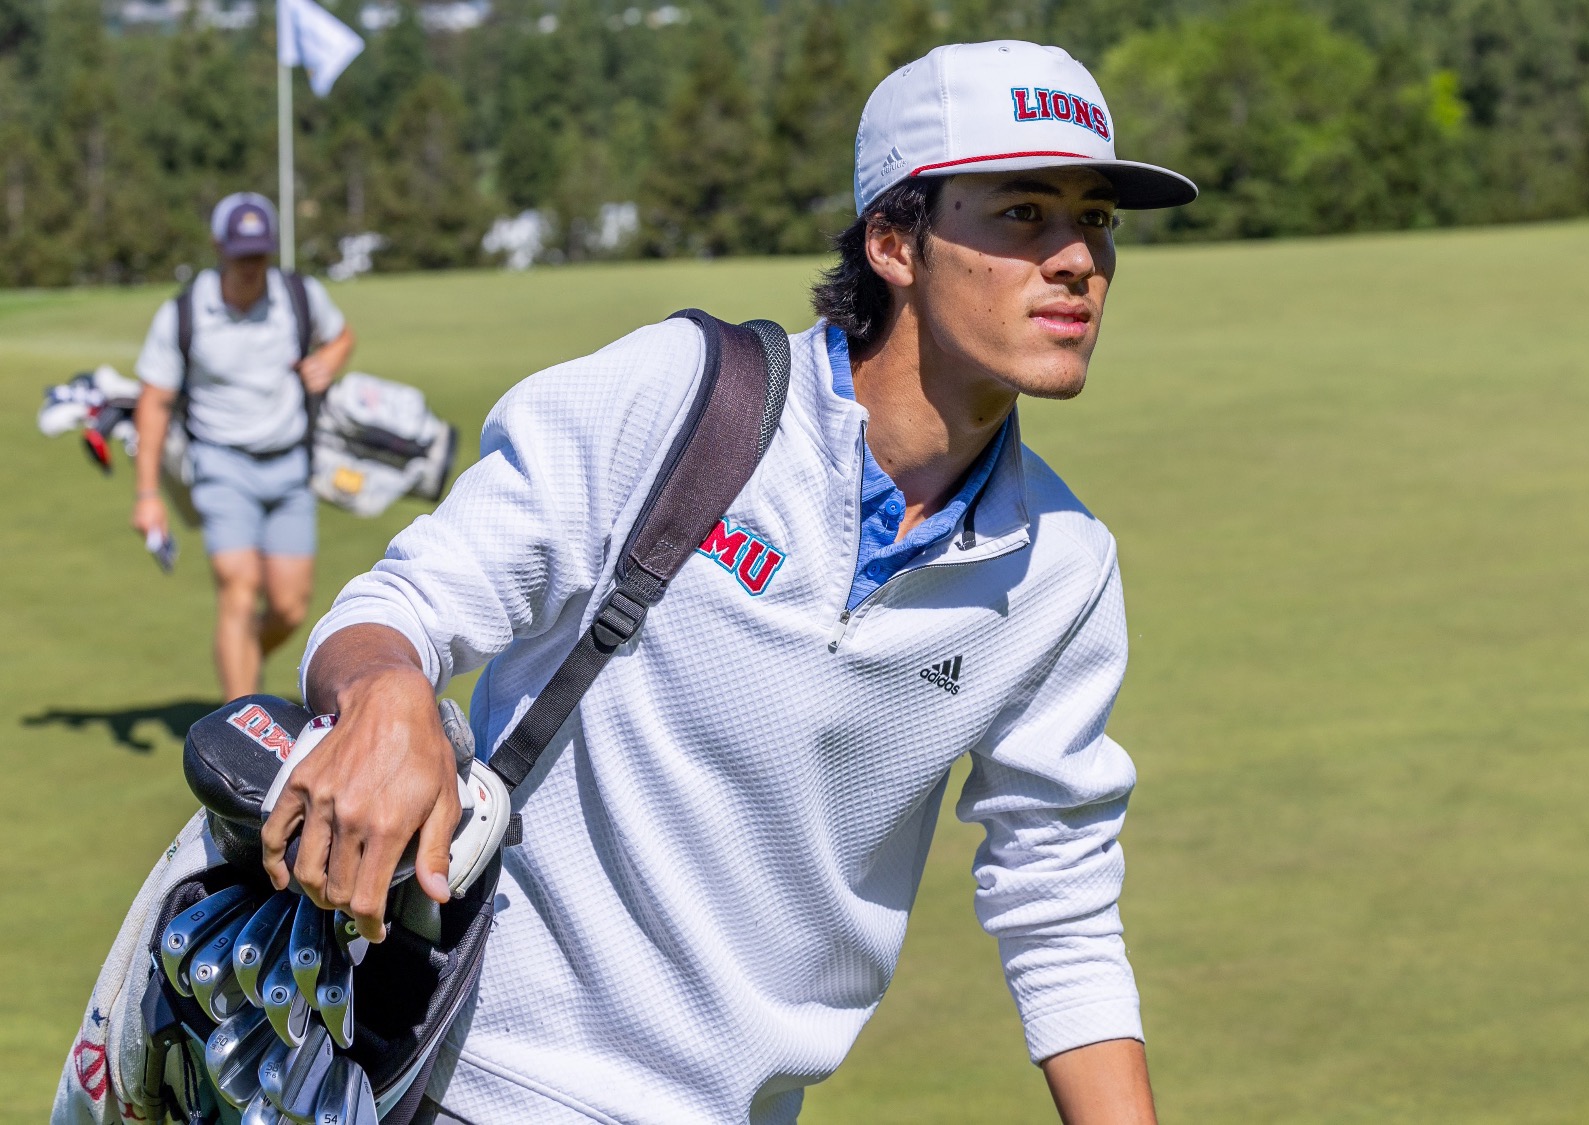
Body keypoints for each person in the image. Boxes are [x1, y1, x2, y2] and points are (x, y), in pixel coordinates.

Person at [272, 41, 1195, 1124]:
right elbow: (401, 609)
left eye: (1096, 220)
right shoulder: (683, 398)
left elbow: (1060, 904)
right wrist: (386, 694)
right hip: (467, 1080)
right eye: (1023, 214)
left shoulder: (1063, 566)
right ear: (894, 242)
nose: (1079, 259)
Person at [131, 192, 355, 700]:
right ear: (218, 247)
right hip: (219, 463)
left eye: (260, 254)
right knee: (238, 584)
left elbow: (341, 335)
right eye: (241, 255)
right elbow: (154, 402)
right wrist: (147, 496)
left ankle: (242, 654)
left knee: (291, 606)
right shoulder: (185, 312)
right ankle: (239, 726)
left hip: (291, 464)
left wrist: (331, 359)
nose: (251, 267)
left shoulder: (298, 295)